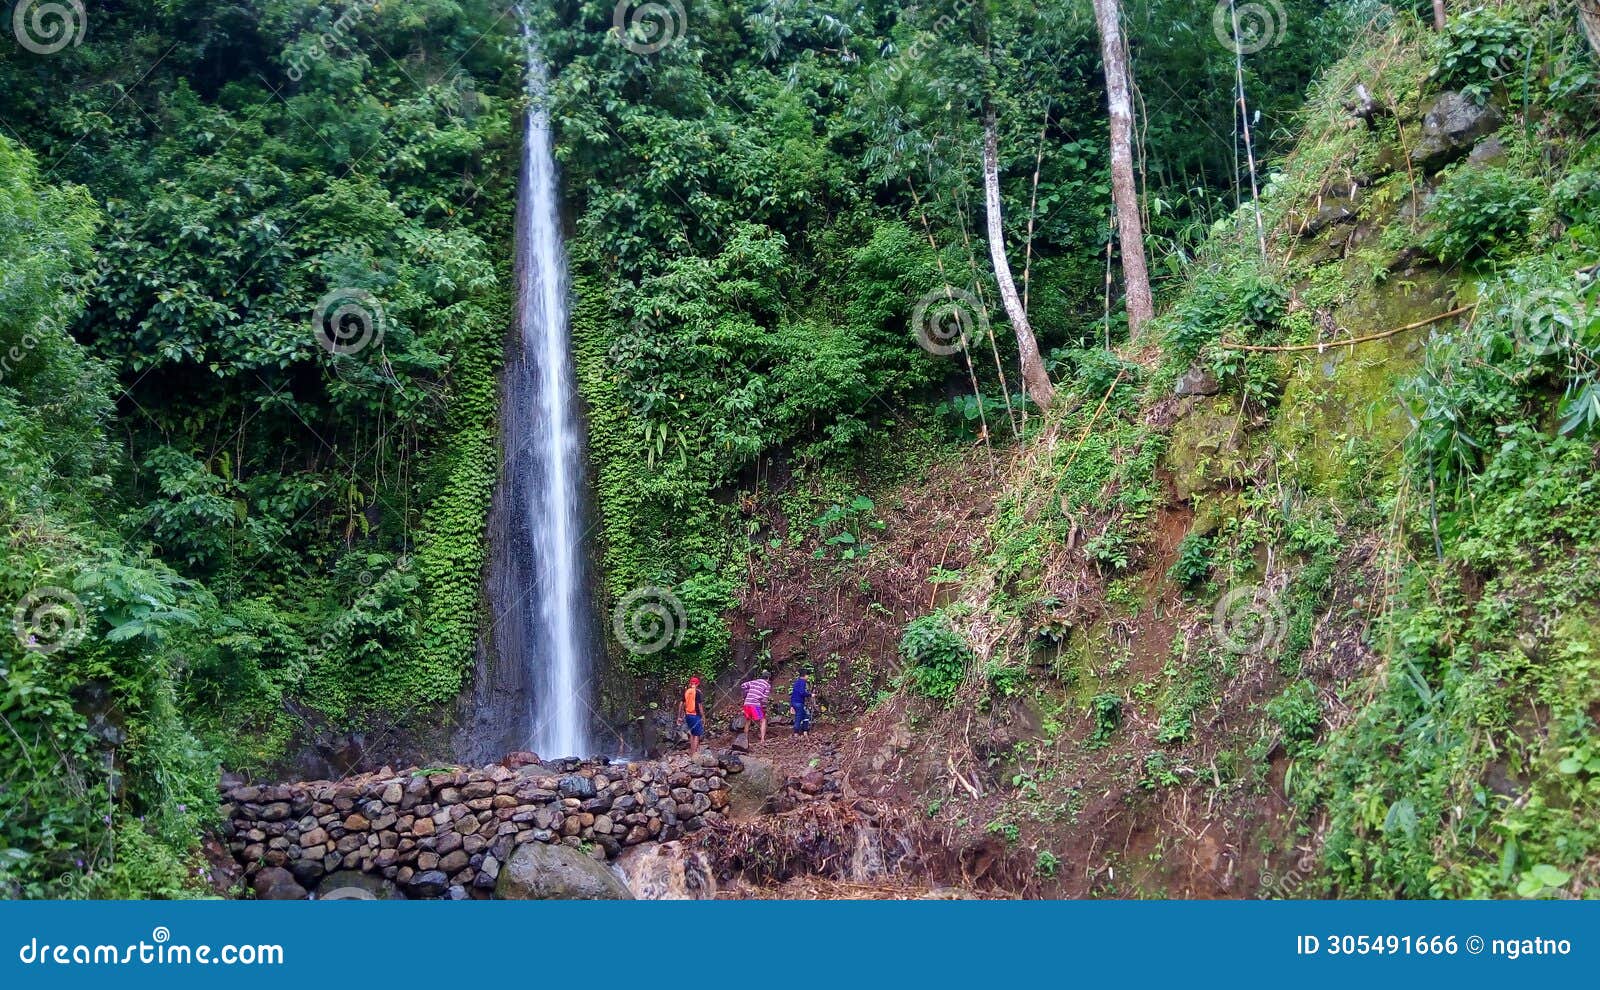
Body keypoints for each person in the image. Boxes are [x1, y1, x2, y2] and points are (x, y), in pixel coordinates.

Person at [740, 670, 772, 745]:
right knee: (763, 720)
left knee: (748, 721)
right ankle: (762, 740)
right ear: (768, 678)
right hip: (755, 705)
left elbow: (743, 685)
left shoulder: (754, 682)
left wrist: (747, 693)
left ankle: (745, 741)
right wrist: (764, 707)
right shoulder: (767, 685)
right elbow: (764, 698)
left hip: (747, 703)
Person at [680, 676, 706, 757]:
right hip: (695, 715)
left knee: (692, 733)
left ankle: (691, 751)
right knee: (697, 735)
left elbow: (681, 704)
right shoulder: (697, 692)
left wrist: (679, 715)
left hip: (688, 715)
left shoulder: (686, 691)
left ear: (690, 683)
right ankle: (694, 754)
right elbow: (700, 705)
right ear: (697, 684)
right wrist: (703, 716)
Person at [791, 670, 813, 736]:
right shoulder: (803, 682)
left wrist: (792, 705)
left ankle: (805, 731)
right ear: (805, 675)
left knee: (805, 715)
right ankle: (796, 733)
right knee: (799, 717)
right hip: (799, 702)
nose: (808, 677)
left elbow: (793, 694)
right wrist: (810, 695)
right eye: (808, 675)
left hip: (795, 702)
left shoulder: (797, 682)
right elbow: (802, 692)